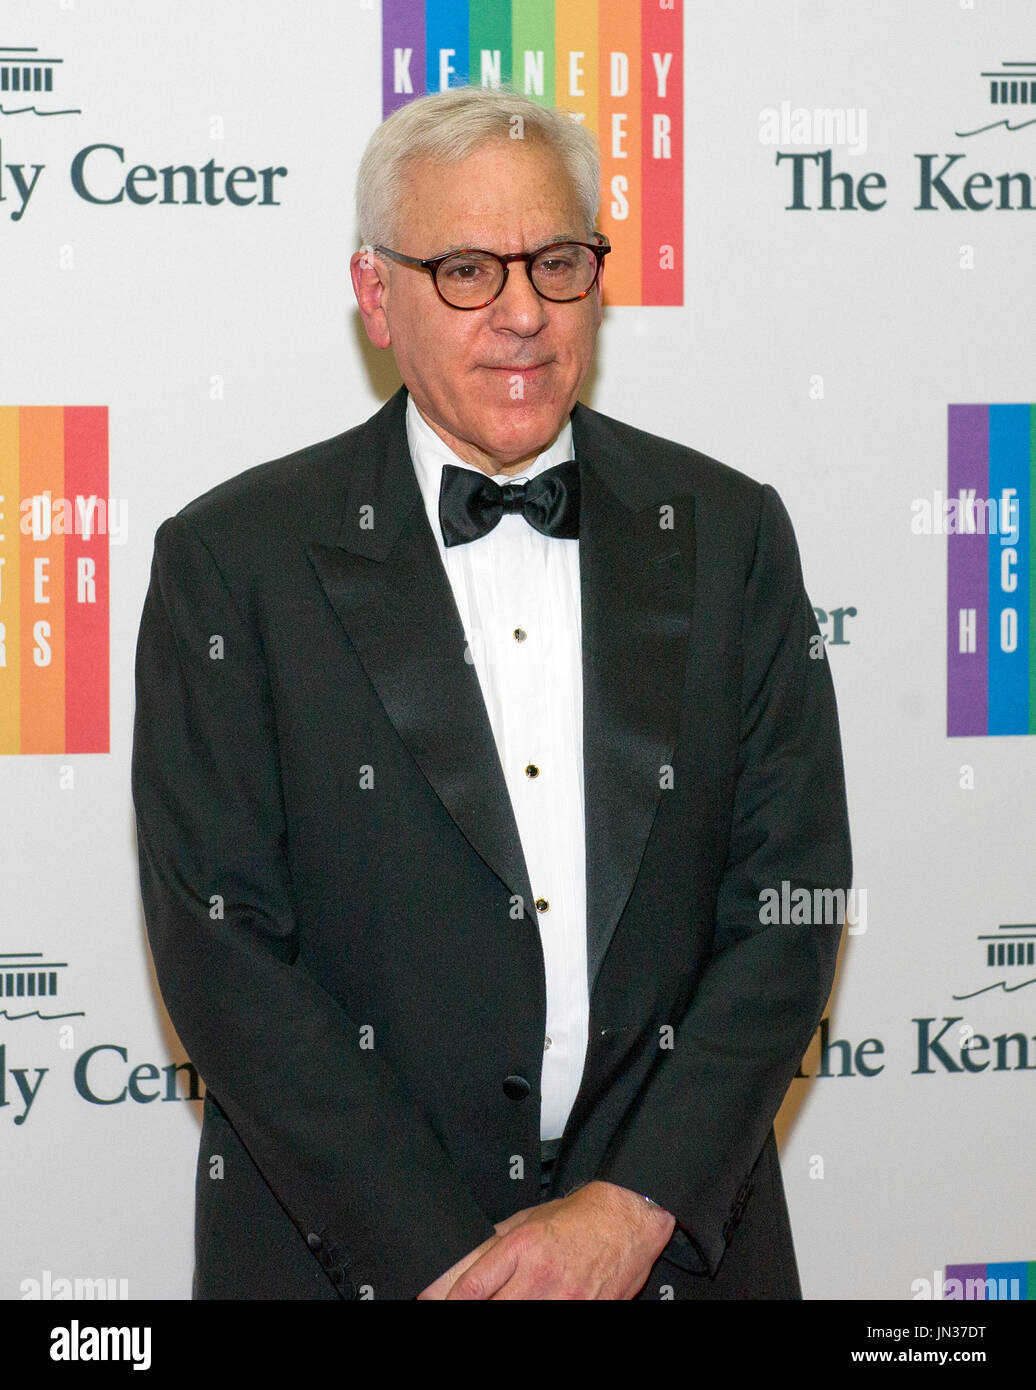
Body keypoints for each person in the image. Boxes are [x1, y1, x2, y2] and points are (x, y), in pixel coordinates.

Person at [132, 84, 852, 1301]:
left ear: (598, 281)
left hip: (672, 1260)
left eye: (556, 262)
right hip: (351, 1267)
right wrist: (453, 1265)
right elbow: (223, 953)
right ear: (376, 297)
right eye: (465, 268)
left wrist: (628, 1215)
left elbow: (790, 901)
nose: (521, 312)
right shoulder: (234, 561)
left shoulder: (729, 532)